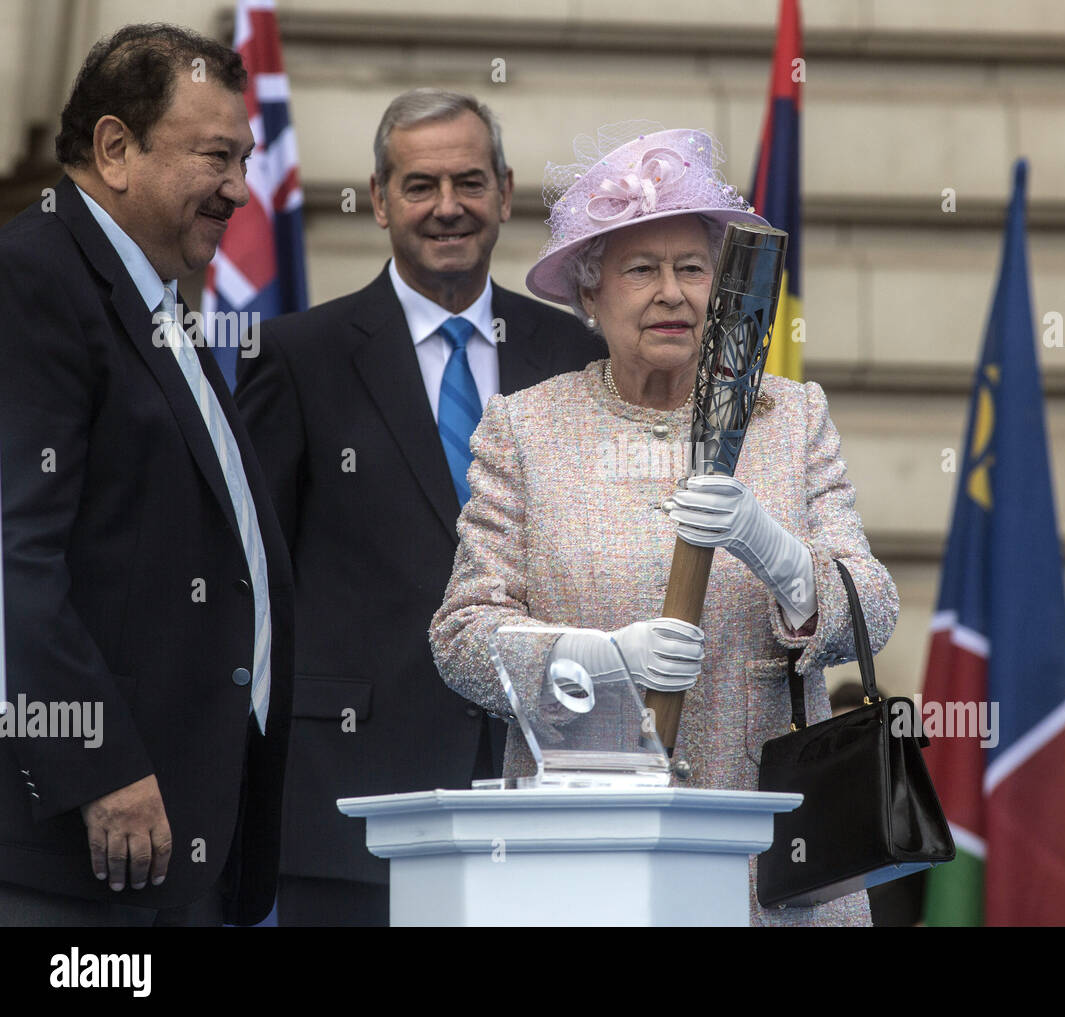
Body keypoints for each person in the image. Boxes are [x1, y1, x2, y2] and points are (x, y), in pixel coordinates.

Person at [429, 124, 899, 926]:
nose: (671, 293)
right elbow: (463, 640)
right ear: (589, 292)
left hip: (770, 860)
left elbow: (874, 611)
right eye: (640, 269)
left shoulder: (790, 415)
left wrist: (779, 556)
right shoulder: (525, 429)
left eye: (691, 268)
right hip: (587, 854)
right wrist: (597, 658)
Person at [235, 90, 605, 926]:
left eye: (470, 182)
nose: (448, 207)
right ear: (377, 199)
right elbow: (255, 578)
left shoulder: (573, 353)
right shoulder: (299, 357)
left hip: (544, 788)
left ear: (505, 193)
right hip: (352, 801)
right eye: (420, 184)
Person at [0, 24, 294, 926]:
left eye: (244, 159)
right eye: (216, 156)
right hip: (82, 852)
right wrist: (99, 763)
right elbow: (13, 558)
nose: (242, 190)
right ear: (116, 148)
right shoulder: (34, 277)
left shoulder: (156, 299)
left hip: (179, 839)